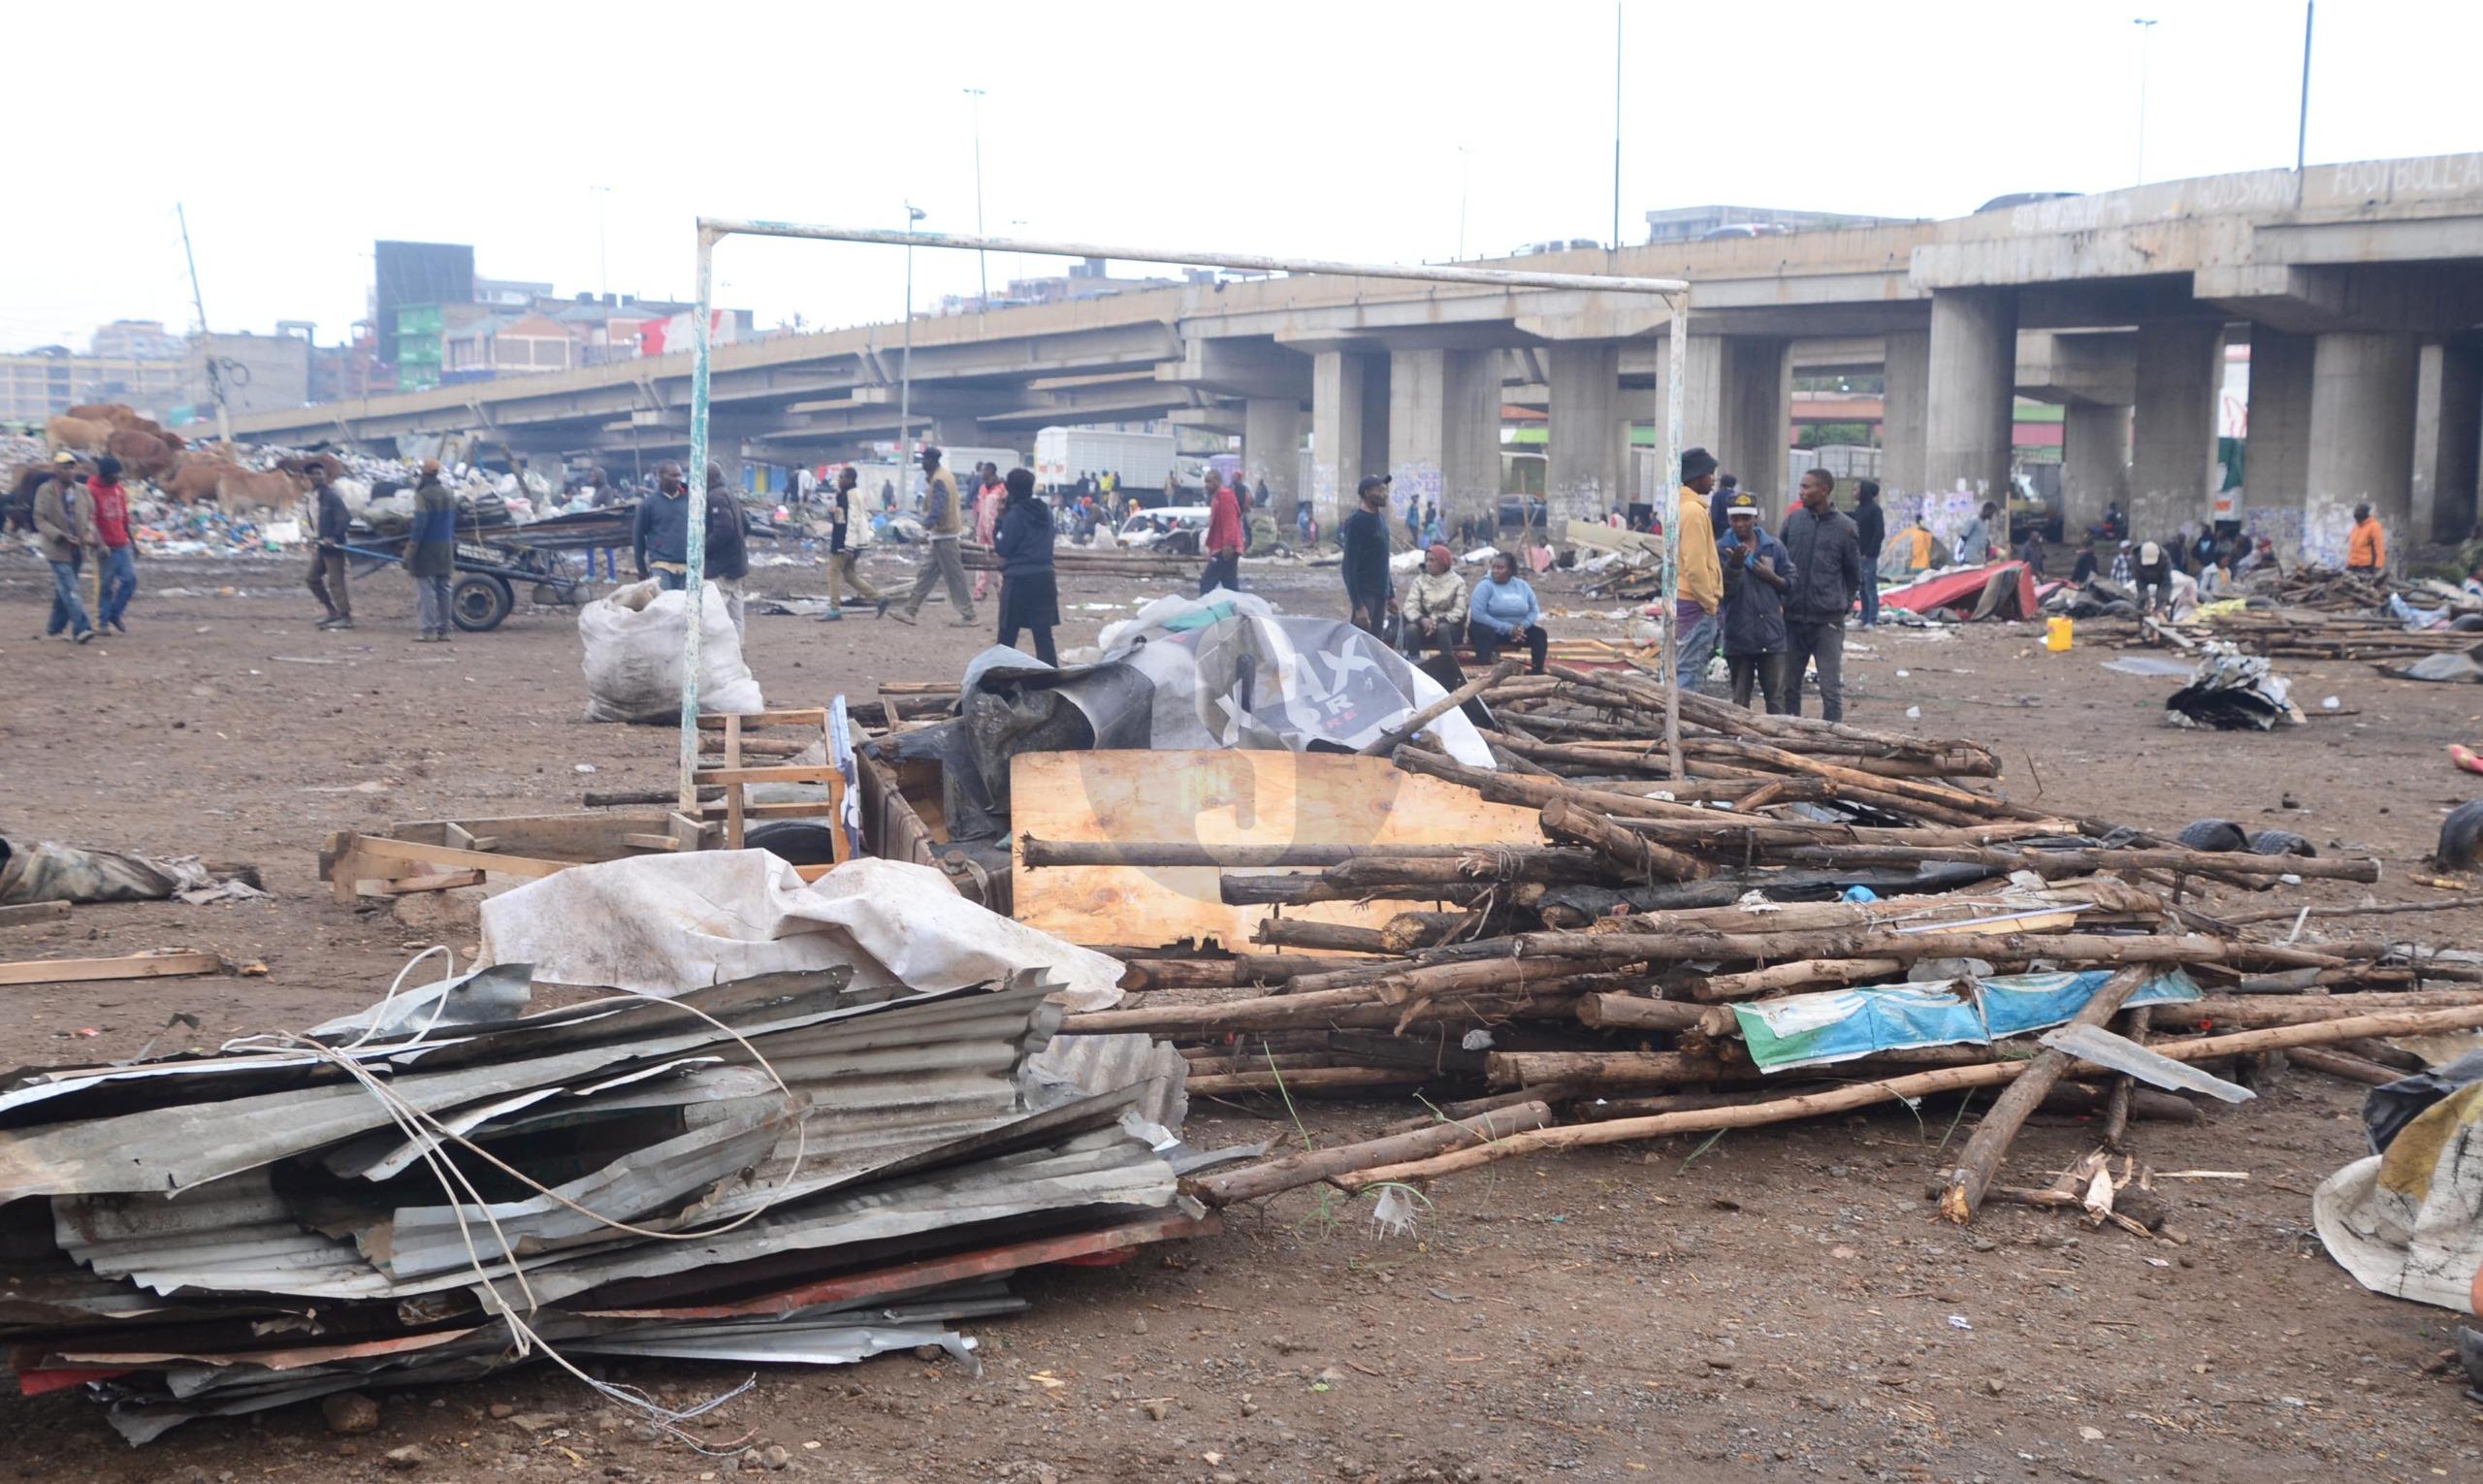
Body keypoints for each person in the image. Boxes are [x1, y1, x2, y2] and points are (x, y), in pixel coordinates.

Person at [1778, 468, 1867, 722]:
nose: (1801, 491)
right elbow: (1779, 560)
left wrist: (1842, 605)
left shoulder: (1846, 528)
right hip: (1793, 619)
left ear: (1824, 490)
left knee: (1830, 689)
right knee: (1789, 686)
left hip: (1827, 622)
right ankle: (1790, 736)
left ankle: (1833, 738)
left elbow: (1854, 575)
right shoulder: (1793, 522)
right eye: (1801, 486)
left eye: (1807, 487)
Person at [1717, 492, 1796, 713]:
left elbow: (1791, 583)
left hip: (1771, 635)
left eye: (1746, 518)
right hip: (1739, 634)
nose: (1740, 524)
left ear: (1755, 518)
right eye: (1735, 519)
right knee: (1740, 701)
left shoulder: (1774, 547)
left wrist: (1771, 577)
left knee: (1776, 700)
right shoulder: (1722, 549)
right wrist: (1734, 566)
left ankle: (1777, 743)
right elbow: (1723, 591)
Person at [897, 445, 977, 627]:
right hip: (941, 535)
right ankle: (910, 611)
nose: (922, 463)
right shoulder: (943, 476)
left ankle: (969, 615)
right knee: (926, 574)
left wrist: (924, 528)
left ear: (931, 461)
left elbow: (939, 507)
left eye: (924, 460)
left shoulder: (939, 480)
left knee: (955, 577)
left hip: (945, 535)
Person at [991, 468, 1059, 666]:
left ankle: (998, 680)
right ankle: (1052, 683)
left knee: (1007, 634)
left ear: (1010, 489)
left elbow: (1003, 548)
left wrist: (999, 521)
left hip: (1019, 579)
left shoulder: (1015, 515)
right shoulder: (1046, 512)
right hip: (1045, 577)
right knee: (1043, 636)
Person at [1673, 446, 1724, 692]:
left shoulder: (1680, 507)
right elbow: (1695, 566)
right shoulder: (1694, 512)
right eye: (1710, 474)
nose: (1713, 480)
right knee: (1691, 670)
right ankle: (1684, 723)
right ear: (1698, 475)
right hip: (1695, 601)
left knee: (1684, 666)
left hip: (1683, 598)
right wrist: (1709, 602)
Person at [33, 459, 97, 643]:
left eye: (72, 468)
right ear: (56, 470)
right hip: (57, 548)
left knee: (65, 589)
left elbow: (91, 515)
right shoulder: (45, 491)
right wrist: (59, 535)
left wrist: (89, 532)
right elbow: (39, 518)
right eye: (65, 468)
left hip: (78, 548)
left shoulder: (82, 491)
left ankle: (54, 628)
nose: (70, 472)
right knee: (71, 588)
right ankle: (82, 628)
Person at [822, 467, 889, 617]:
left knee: (833, 572)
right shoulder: (849, 494)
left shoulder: (850, 495)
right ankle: (879, 598)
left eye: (842, 477)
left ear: (850, 479)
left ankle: (834, 609)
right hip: (852, 541)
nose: (839, 480)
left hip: (845, 541)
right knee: (848, 574)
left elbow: (853, 520)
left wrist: (849, 546)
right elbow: (844, 518)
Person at [1467, 550, 1548, 674]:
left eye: (1500, 568)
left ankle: (1536, 671)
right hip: (1492, 630)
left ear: (1510, 570)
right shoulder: (1485, 586)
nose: (1495, 571)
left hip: (1517, 632)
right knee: (1484, 632)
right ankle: (1485, 670)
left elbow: (1534, 609)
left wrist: (1522, 626)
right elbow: (1478, 614)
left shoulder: (1522, 586)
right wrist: (1508, 628)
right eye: (1493, 567)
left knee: (1539, 635)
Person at [406, 458, 457, 642]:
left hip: (427, 549)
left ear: (424, 474)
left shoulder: (423, 495)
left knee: (426, 591)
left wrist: (410, 551)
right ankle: (444, 630)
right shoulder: (448, 493)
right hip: (446, 547)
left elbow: (420, 525)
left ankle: (428, 630)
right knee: (444, 589)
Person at [87, 454, 136, 635]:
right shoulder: (91, 490)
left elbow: (124, 517)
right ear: (105, 475)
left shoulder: (119, 489)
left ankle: (114, 614)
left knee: (130, 581)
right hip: (104, 546)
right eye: (116, 474)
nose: (119, 477)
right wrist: (101, 545)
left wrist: (133, 542)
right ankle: (102, 622)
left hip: (122, 543)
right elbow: (91, 521)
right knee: (105, 586)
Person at [1340, 475, 1394, 635]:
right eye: (1380, 490)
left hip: (1380, 594)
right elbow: (1348, 567)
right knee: (1359, 645)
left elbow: (1382, 561)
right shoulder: (1356, 522)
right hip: (1365, 594)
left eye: (1385, 490)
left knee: (1376, 645)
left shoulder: (1381, 519)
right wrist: (1358, 606)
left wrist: (1390, 594)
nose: (1385, 494)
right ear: (1367, 493)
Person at [703, 464, 751, 634]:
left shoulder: (714, 497)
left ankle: (720, 656)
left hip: (720, 567)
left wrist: (701, 550)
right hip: (736, 565)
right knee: (736, 614)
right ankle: (738, 653)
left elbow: (723, 531)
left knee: (715, 614)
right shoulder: (729, 494)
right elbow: (746, 526)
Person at [1398, 543, 1467, 660]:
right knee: (1411, 629)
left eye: (1433, 560)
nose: (1428, 564)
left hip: (1449, 627)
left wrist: (1436, 621)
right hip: (1424, 627)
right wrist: (1421, 619)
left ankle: (1448, 665)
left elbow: (1460, 610)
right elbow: (1410, 606)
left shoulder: (1457, 582)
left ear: (1443, 562)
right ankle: (1415, 664)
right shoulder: (1420, 581)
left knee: (1442, 629)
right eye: (1427, 560)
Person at [632, 461, 693, 588]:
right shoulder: (648, 504)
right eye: (673, 475)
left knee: (685, 607)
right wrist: (641, 568)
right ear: (659, 476)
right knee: (664, 605)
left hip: (688, 566)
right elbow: (638, 536)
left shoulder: (692, 500)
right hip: (661, 566)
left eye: (679, 475)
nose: (677, 479)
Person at [308, 466, 354, 629]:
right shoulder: (314, 497)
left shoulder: (331, 497)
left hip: (334, 547)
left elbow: (345, 518)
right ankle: (332, 611)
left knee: (336, 582)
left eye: (319, 474)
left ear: (325, 476)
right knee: (312, 579)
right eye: (313, 474)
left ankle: (345, 616)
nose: (316, 477)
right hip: (321, 546)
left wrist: (334, 537)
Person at [1201, 469, 1244, 595]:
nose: (1207, 485)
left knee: (1207, 582)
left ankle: (1205, 610)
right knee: (1230, 584)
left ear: (1218, 481)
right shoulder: (1219, 497)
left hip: (1225, 548)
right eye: (1205, 482)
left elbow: (1229, 521)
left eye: (1209, 481)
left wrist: (1228, 544)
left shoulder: (1225, 496)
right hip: (1224, 546)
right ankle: (1238, 608)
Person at [1851, 479, 1886, 629]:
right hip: (1859, 554)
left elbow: (1879, 533)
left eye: (1856, 489)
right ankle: (1864, 617)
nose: (1854, 492)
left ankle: (1872, 618)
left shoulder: (1875, 510)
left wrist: (1869, 552)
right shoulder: (1859, 509)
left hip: (1869, 556)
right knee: (1862, 588)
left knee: (1870, 587)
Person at [970, 462, 1006, 600]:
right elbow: (978, 508)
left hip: (995, 528)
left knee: (999, 557)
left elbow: (1005, 509)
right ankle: (979, 590)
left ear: (991, 471)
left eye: (984, 470)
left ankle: (1002, 587)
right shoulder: (983, 488)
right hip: (981, 528)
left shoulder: (1002, 488)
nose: (982, 473)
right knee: (981, 560)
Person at [2133, 540, 2175, 615]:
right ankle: (2138, 615)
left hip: (2160, 579)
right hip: (2144, 577)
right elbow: (2140, 583)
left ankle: (2161, 615)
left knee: (2161, 600)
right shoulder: (2136, 559)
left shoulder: (2165, 558)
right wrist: (2146, 600)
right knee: (2141, 601)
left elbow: (2166, 582)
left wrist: (2163, 601)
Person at [2347, 502, 2387, 573]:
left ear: (2365, 515)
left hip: (2366, 567)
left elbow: (2379, 548)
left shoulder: (2374, 526)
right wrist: (2349, 564)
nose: (2357, 520)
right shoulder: (2356, 527)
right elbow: (2353, 548)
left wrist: (2378, 567)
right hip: (2352, 565)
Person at [1956, 500, 1996, 565]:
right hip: (1971, 556)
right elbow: (1964, 536)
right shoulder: (1974, 520)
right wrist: (1961, 551)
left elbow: (1983, 538)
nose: (1992, 515)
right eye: (1992, 513)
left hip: (1980, 556)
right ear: (1988, 511)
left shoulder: (1985, 523)